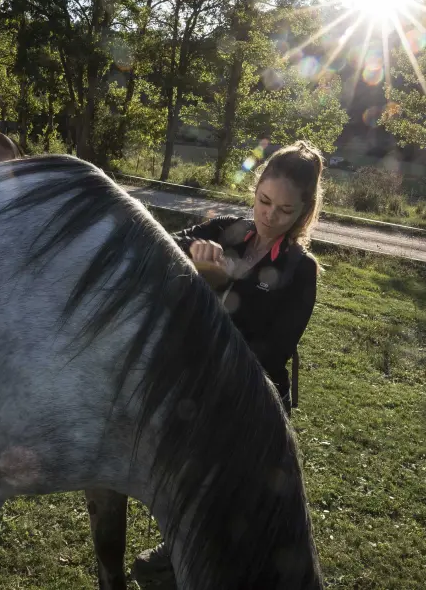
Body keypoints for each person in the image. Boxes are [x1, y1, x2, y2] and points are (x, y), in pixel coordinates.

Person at [131, 140, 325, 586]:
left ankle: (187, 558)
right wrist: (190, 259)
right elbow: (156, 249)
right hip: (197, 391)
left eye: (285, 210)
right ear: (255, 190)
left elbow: (269, 353)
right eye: (263, 201)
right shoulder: (226, 230)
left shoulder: (300, 271)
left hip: (252, 405)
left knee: (230, 507)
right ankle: (178, 551)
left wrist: (217, 287)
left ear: (304, 212)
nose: (269, 216)